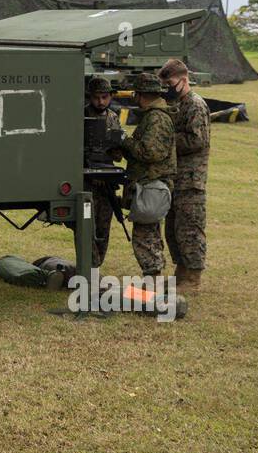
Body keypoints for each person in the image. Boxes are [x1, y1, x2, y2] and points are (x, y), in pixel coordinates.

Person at [118, 73, 176, 276]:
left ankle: (153, 278)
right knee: (149, 233)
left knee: (145, 235)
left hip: (151, 185)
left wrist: (125, 140)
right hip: (149, 185)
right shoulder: (153, 116)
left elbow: (150, 152)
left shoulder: (157, 118)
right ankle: (154, 276)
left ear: (140, 94)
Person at [159, 58, 210, 287]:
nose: (167, 87)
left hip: (191, 180)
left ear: (183, 80)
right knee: (173, 228)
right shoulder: (176, 103)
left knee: (190, 228)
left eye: (169, 82)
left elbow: (197, 140)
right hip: (175, 177)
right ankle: (181, 270)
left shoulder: (195, 105)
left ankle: (192, 276)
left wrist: (166, 141)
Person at [83, 76, 122, 266]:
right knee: (86, 226)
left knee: (104, 226)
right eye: (97, 97)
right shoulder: (81, 117)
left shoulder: (113, 118)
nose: (101, 102)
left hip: (107, 181)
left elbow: (117, 153)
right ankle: (90, 265)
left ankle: (97, 265)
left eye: (105, 97)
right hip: (87, 181)